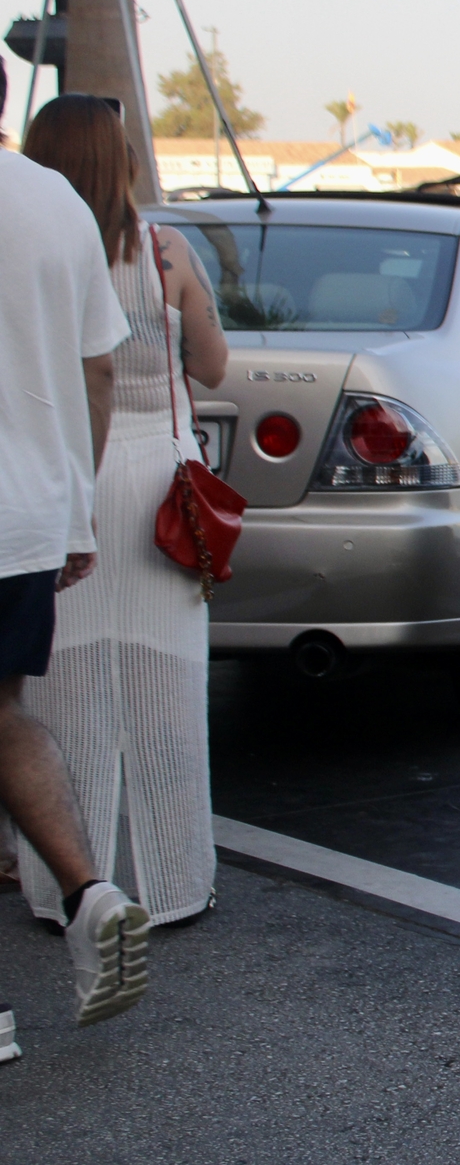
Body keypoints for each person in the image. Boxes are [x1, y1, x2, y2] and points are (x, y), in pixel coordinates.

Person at [16, 93, 229, 944]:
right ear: (125, 162)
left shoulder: (35, 244)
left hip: (65, 472)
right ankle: (174, 880)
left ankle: (67, 882)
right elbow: (210, 366)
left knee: (60, 686)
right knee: (166, 682)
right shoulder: (166, 252)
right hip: (158, 487)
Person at [0, 73, 154, 1050]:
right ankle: (91, 893)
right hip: (24, 515)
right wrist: (73, 513)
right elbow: (101, 369)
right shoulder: (53, 202)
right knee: (5, 715)